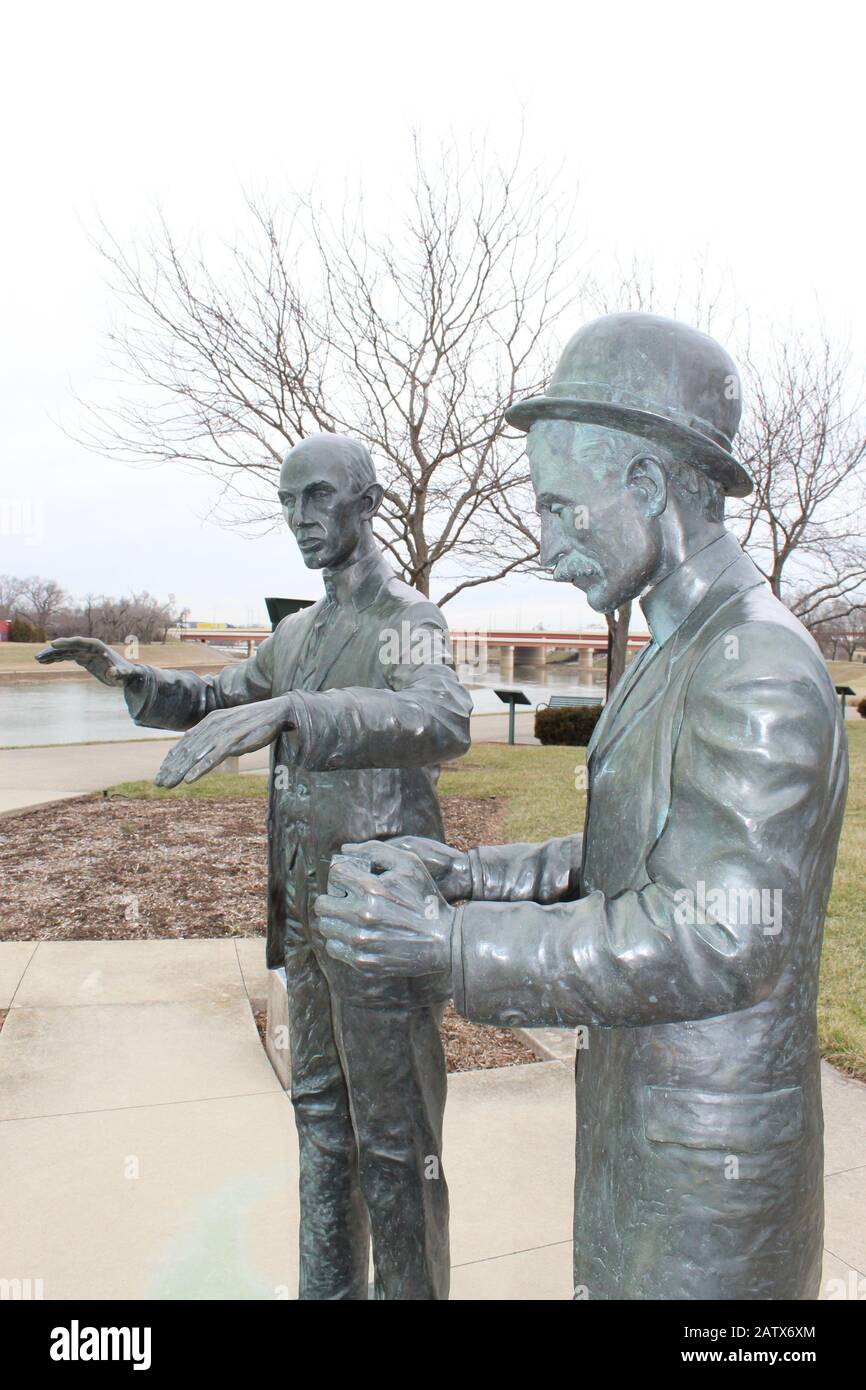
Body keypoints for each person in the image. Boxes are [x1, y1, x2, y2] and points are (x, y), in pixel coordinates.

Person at [314, 315, 848, 1300]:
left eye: (563, 510)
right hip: (639, 1152)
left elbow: (714, 936)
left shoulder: (754, 664)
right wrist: (464, 875)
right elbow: (627, 858)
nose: (549, 548)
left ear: (644, 486)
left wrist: (449, 948)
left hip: (705, 1199)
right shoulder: (679, 652)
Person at [37, 432, 472, 1301]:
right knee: (320, 1123)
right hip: (306, 921)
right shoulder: (297, 633)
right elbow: (219, 698)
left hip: (379, 921)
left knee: (395, 1146)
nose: (300, 520)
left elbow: (443, 718)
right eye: (287, 504)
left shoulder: (410, 622)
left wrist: (298, 710)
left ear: (370, 504)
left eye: (317, 498)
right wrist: (135, 678)